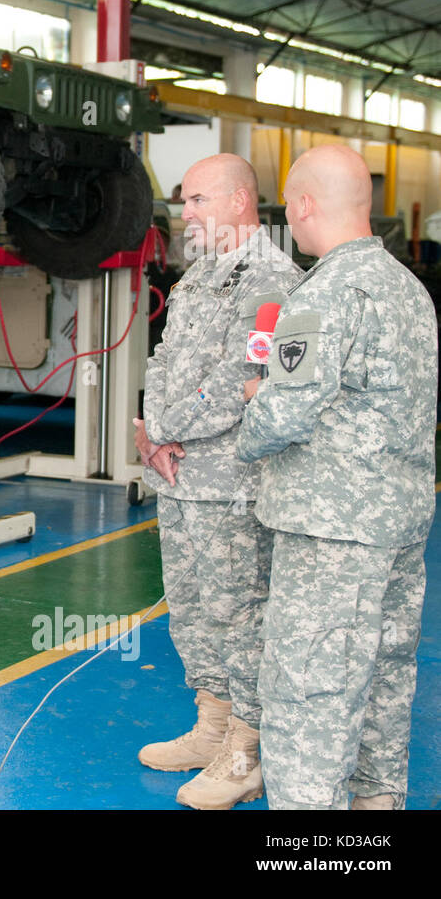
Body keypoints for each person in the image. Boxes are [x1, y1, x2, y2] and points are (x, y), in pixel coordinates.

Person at [238, 145, 437, 810]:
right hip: (402, 521)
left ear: (303, 206)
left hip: (332, 530)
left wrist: (253, 407)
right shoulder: (410, 291)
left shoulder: (320, 295)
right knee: (383, 676)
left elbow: (285, 413)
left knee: (308, 689)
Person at [135, 154, 302, 810]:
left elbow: (240, 381)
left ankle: (243, 753)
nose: (188, 214)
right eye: (186, 202)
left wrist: (166, 429)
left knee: (241, 616)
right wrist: (150, 432)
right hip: (178, 477)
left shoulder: (271, 281)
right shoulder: (199, 276)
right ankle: (209, 728)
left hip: (232, 483)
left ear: (239, 202)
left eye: (200, 201)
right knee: (195, 609)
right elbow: (163, 356)